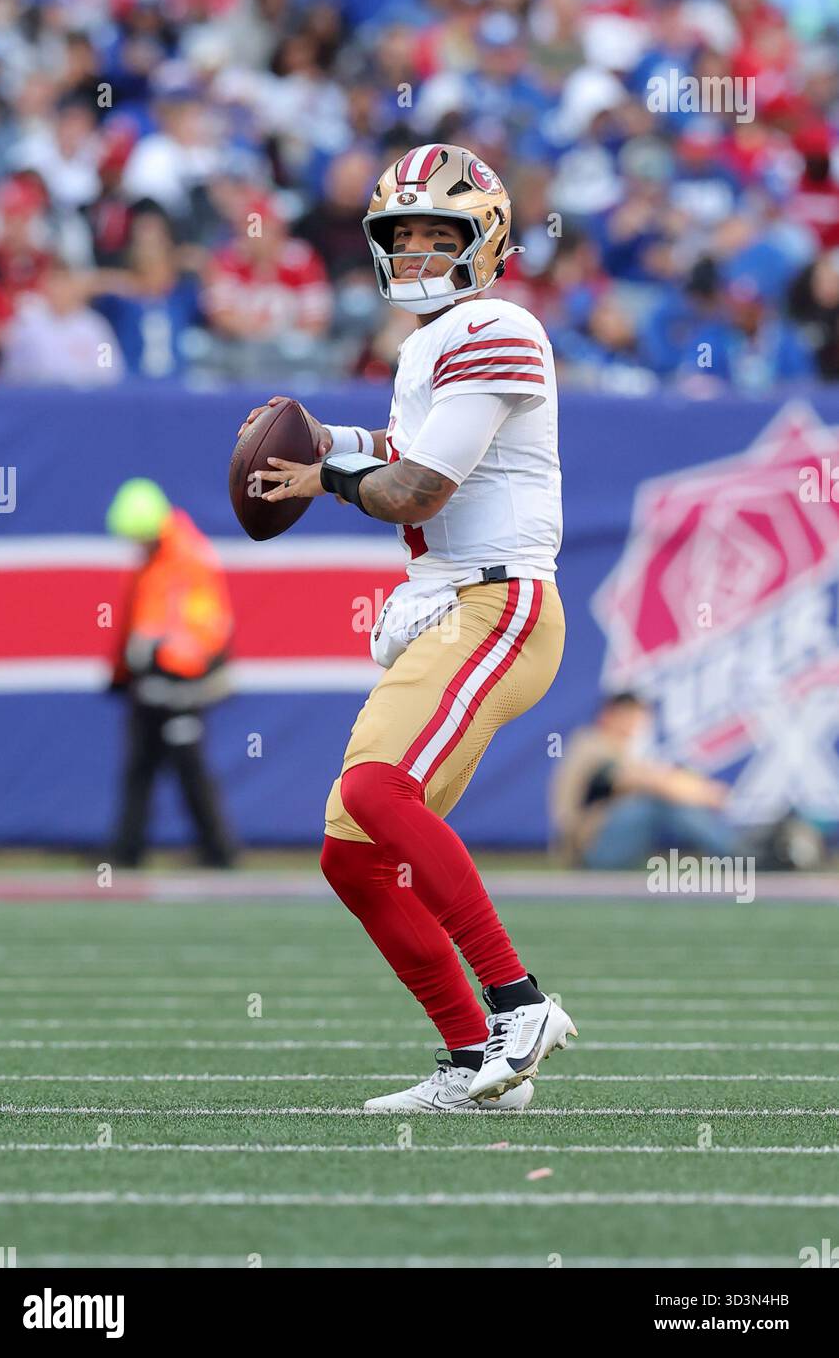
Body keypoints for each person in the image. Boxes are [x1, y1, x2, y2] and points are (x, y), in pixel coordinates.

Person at [238, 143, 576, 1113]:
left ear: (487, 241)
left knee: (378, 790)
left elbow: (419, 486)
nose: (421, 250)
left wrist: (327, 475)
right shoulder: (434, 341)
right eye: (404, 234)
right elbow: (405, 449)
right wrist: (331, 441)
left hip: (496, 602)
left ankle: (516, 1002)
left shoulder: (494, 324)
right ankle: (475, 1060)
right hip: (459, 601)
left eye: (442, 232)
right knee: (352, 850)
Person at [106, 478, 236, 869]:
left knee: (187, 768)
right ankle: (127, 852)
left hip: (181, 688)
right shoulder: (156, 560)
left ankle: (218, 852)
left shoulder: (186, 561)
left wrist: (165, 664)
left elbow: (203, 630)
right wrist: (124, 671)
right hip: (153, 685)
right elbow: (138, 621)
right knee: (141, 767)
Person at [552, 692, 737, 869]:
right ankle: (737, 854)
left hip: (602, 845)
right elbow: (643, 781)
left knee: (661, 798)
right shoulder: (591, 744)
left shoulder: (619, 750)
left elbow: (658, 776)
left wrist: (695, 789)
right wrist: (702, 794)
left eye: (637, 716)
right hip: (587, 849)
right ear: (609, 715)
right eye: (628, 715)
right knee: (655, 802)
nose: (635, 723)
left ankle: (737, 851)